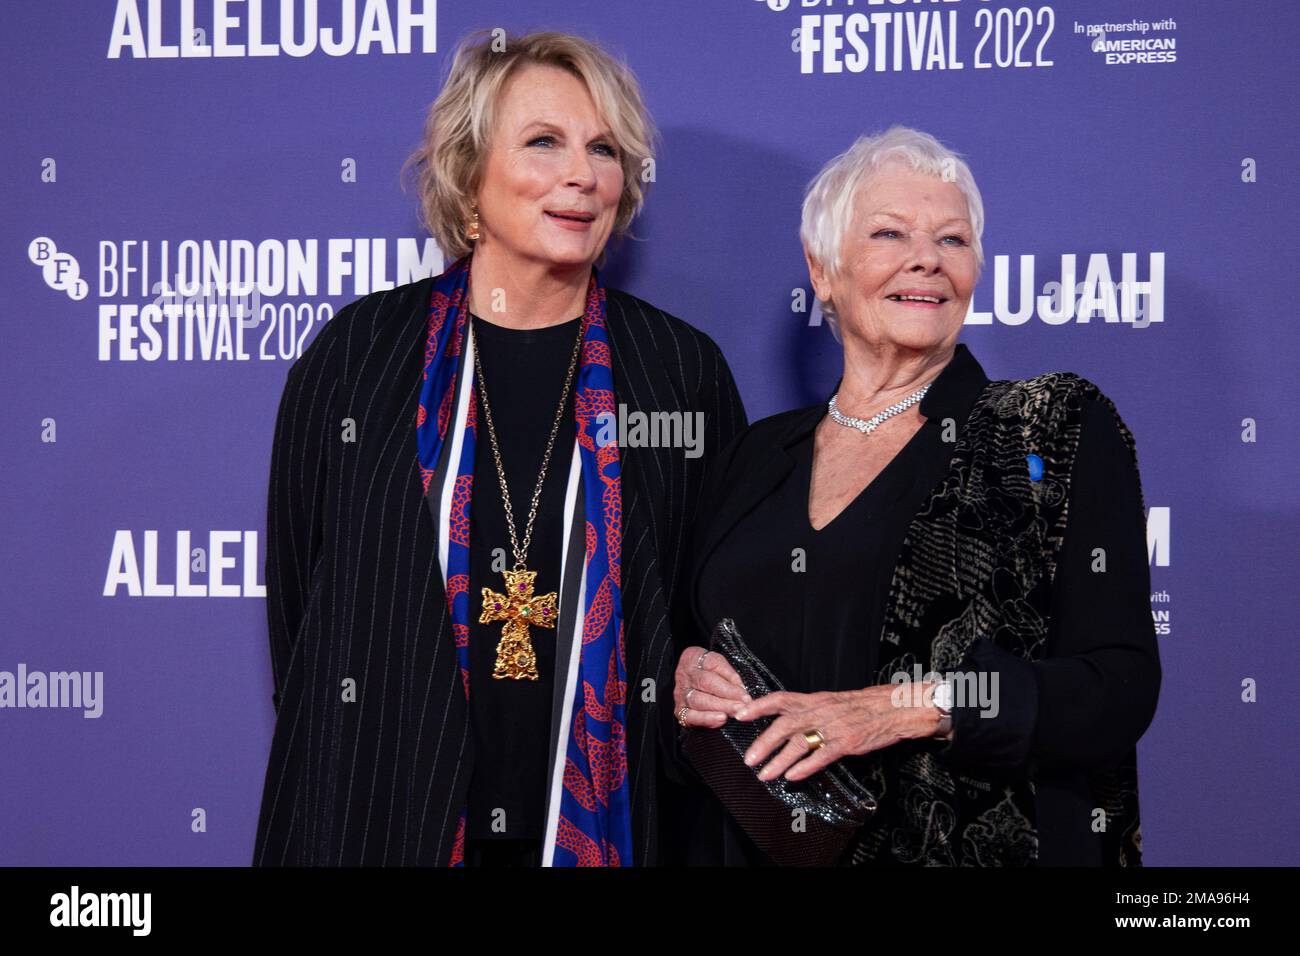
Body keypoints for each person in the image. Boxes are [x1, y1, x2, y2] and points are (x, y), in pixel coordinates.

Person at [254, 29, 745, 867]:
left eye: (604, 150)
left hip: (614, 825)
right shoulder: (361, 356)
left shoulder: (676, 370)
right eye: (544, 142)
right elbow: (305, 606)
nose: (582, 175)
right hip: (388, 816)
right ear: (470, 170)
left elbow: (710, 607)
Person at [672, 126, 1160, 866]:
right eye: (889, 233)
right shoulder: (755, 454)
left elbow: (1118, 688)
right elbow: (687, 639)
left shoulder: (1048, 430)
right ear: (823, 267)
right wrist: (689, 676)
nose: (926, 258)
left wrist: (898, 710)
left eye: (952, 240)